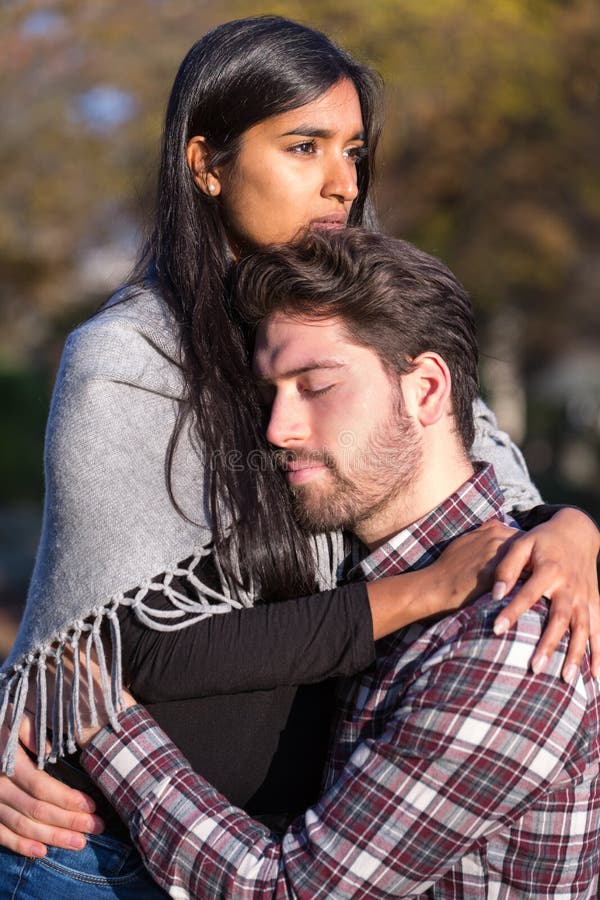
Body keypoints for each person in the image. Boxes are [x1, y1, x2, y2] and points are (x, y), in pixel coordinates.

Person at [0, 14, 598, 894]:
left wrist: (575, 530)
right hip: (103, 855)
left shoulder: (361, 330)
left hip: (271, 843)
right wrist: (415, 594)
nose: (339, 184)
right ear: (205, 163)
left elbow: (480, 486)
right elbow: (123, 650)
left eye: (353, 152)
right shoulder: (127, 359)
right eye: (304, 146)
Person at [73, 228, 600, 898]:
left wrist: (95, 716)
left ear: (427, 390)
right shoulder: (353, 572)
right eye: (273, 393)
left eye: (315, 385)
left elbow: (286, 890)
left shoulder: (509, 645)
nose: (276, 429)